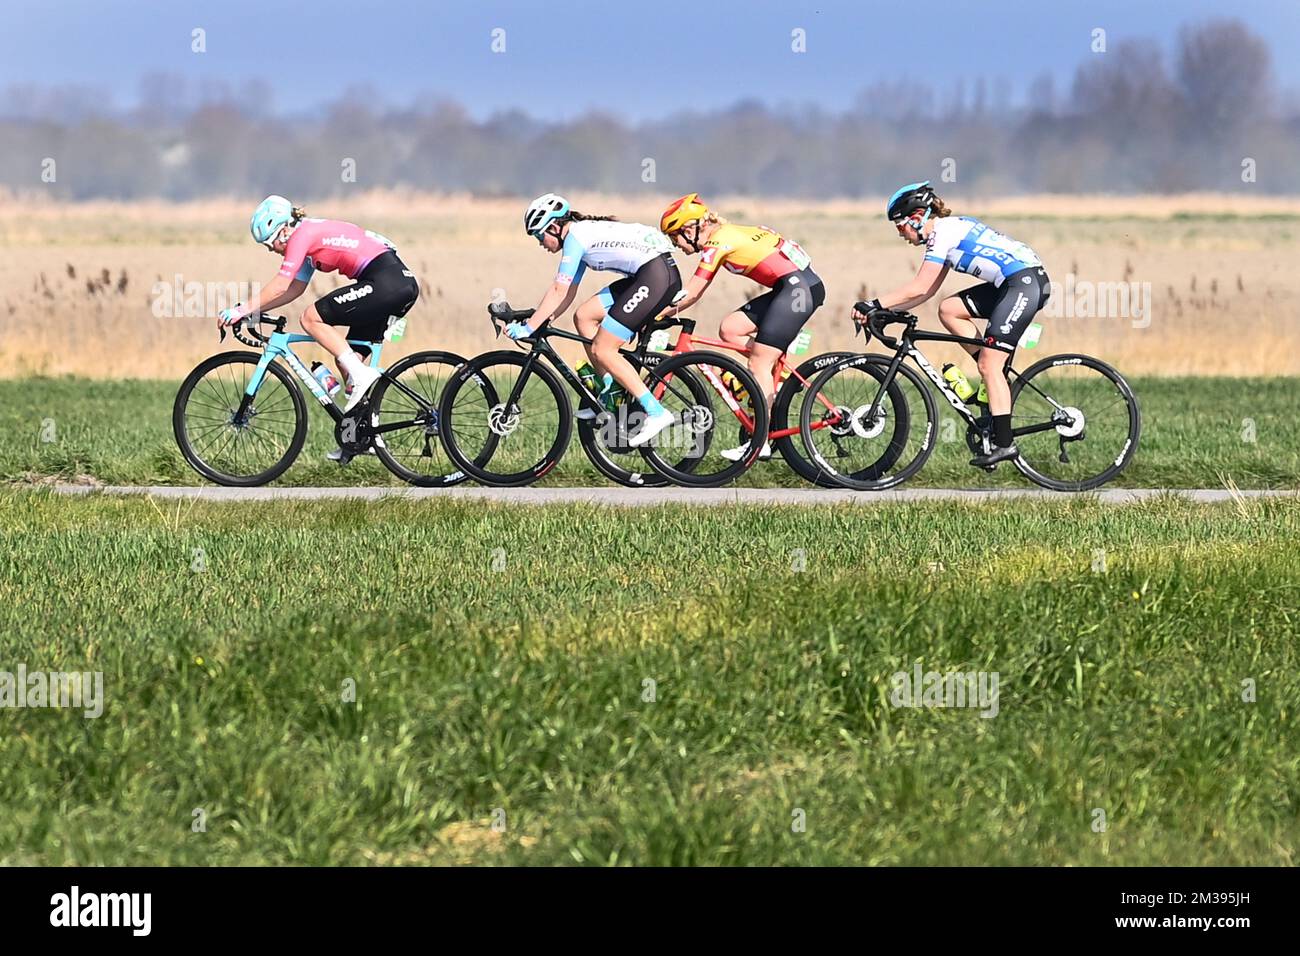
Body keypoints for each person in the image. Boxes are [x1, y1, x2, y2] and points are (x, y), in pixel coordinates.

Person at [854, 181, 1051, 467]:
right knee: (949, 310)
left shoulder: (942, 234)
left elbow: (918, 286)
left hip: (1024, 283)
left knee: (989, 365)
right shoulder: (945, 233)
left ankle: (1005, 444)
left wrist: (875, 304)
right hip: (1014, 282)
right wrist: (886, 311)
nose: (901, 235)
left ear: (917, 217)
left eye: (900, 227)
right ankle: (993, 377)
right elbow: (928, 292)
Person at [218, 196, 419, 425]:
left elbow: (281, 284)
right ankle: (361, 437)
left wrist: (241, 310)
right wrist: (248, 311)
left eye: (269, 243)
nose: (270, 250)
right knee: (346, 362)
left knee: (310, 318)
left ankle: (362, 375)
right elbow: (293, 289)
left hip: (386, 282)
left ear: (283, 231)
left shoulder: (302, 236)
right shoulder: (307, 239)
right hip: (395, 283)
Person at [656, 193, 825, 460]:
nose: (675, 244)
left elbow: (694, 292)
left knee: (758, 364)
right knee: (730, 329)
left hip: (797, 290)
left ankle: (760, 442)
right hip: (796, 287)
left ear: (690, 228)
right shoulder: (730, 231)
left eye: (674, 237)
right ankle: (773, 375)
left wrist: (655, 316)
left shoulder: (718, 242)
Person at [507, 193, 682, 447]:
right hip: (649, 274)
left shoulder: (575, 239)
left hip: (655, 276)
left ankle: (656, 412)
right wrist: (545, 320)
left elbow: (558, 289)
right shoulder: (578, 236)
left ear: (554, 227)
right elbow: (567, 293)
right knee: (584, 316)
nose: (539, 243)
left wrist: (529, 327)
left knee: (603, 348)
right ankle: (611, 392)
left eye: (538, 235)